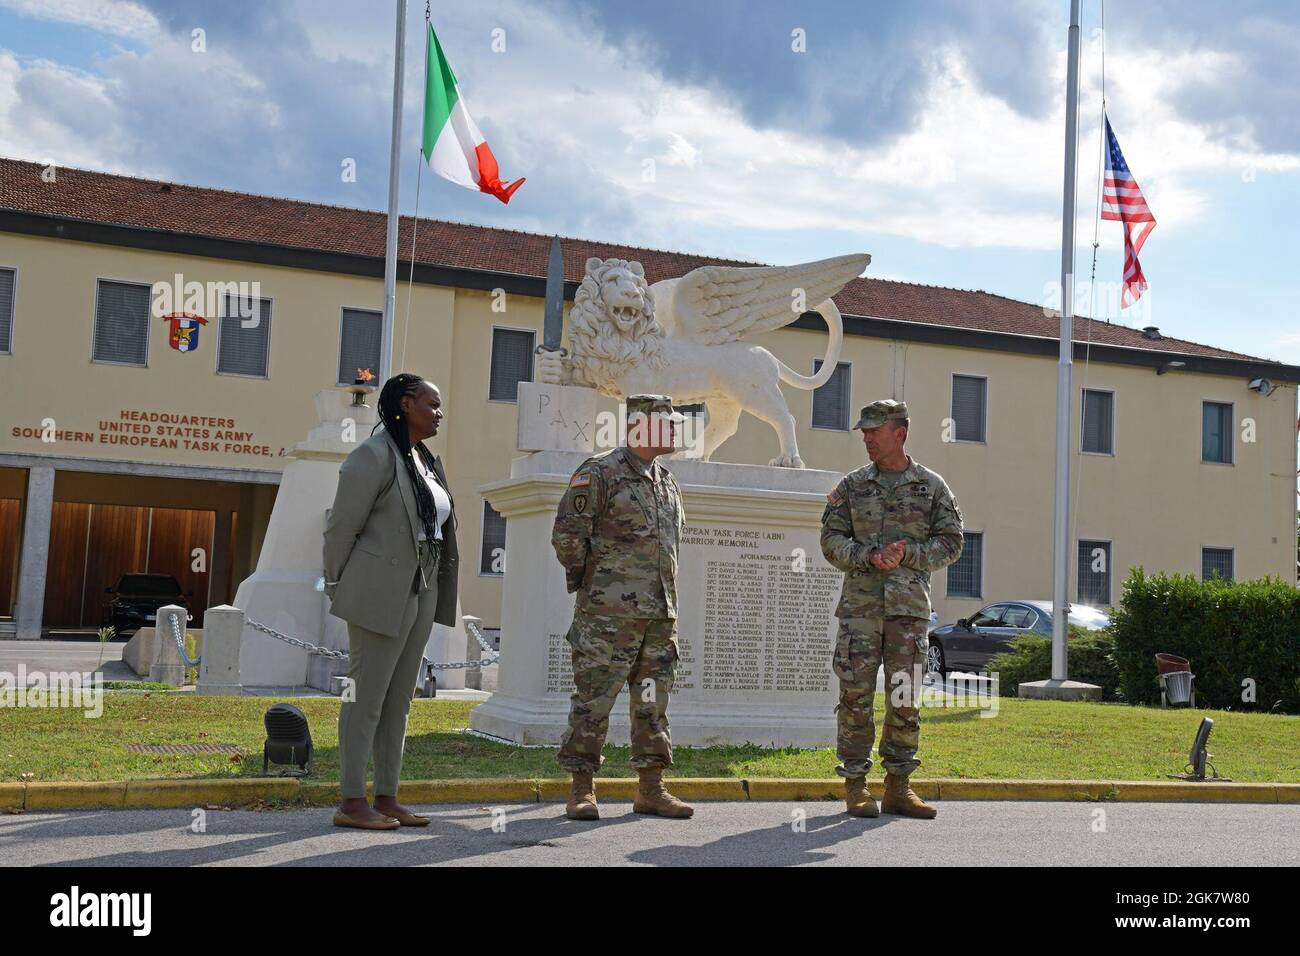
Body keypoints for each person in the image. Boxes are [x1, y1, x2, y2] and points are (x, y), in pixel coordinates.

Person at [322, 373, 459, 830]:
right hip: (379, 588)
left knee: (400, 698)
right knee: (365, 698)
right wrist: (340, 586)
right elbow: (342, 527)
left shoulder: (422, 459)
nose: (439, 413)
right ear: (405, 403)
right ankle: (350, 801)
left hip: (423, 584)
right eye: (432, 404)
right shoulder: (372, 455)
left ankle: (386, 796)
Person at [551, 394, 694, 820]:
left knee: (652, 704)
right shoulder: (600, 473)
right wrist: (593, 586)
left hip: (658, 617)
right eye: (666, 422)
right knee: (593, 701)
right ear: (640, 425)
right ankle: (581, 788)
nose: (674, 430)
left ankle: (651, 788)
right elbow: (567, 535)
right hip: (606, 617)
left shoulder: (667, 481)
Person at [820, 399, 963, 819]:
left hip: (908, 612)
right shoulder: (851, 487)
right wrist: (868, 555)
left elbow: (952, 542)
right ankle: (856, 786)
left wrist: (909, 555)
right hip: (860, 611)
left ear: (899, 433)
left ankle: (899, 786)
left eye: (873, 431)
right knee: (856, 697)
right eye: (863, 432)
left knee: (904, 698)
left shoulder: (931, 487)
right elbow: (830, 541)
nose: (866, 438)